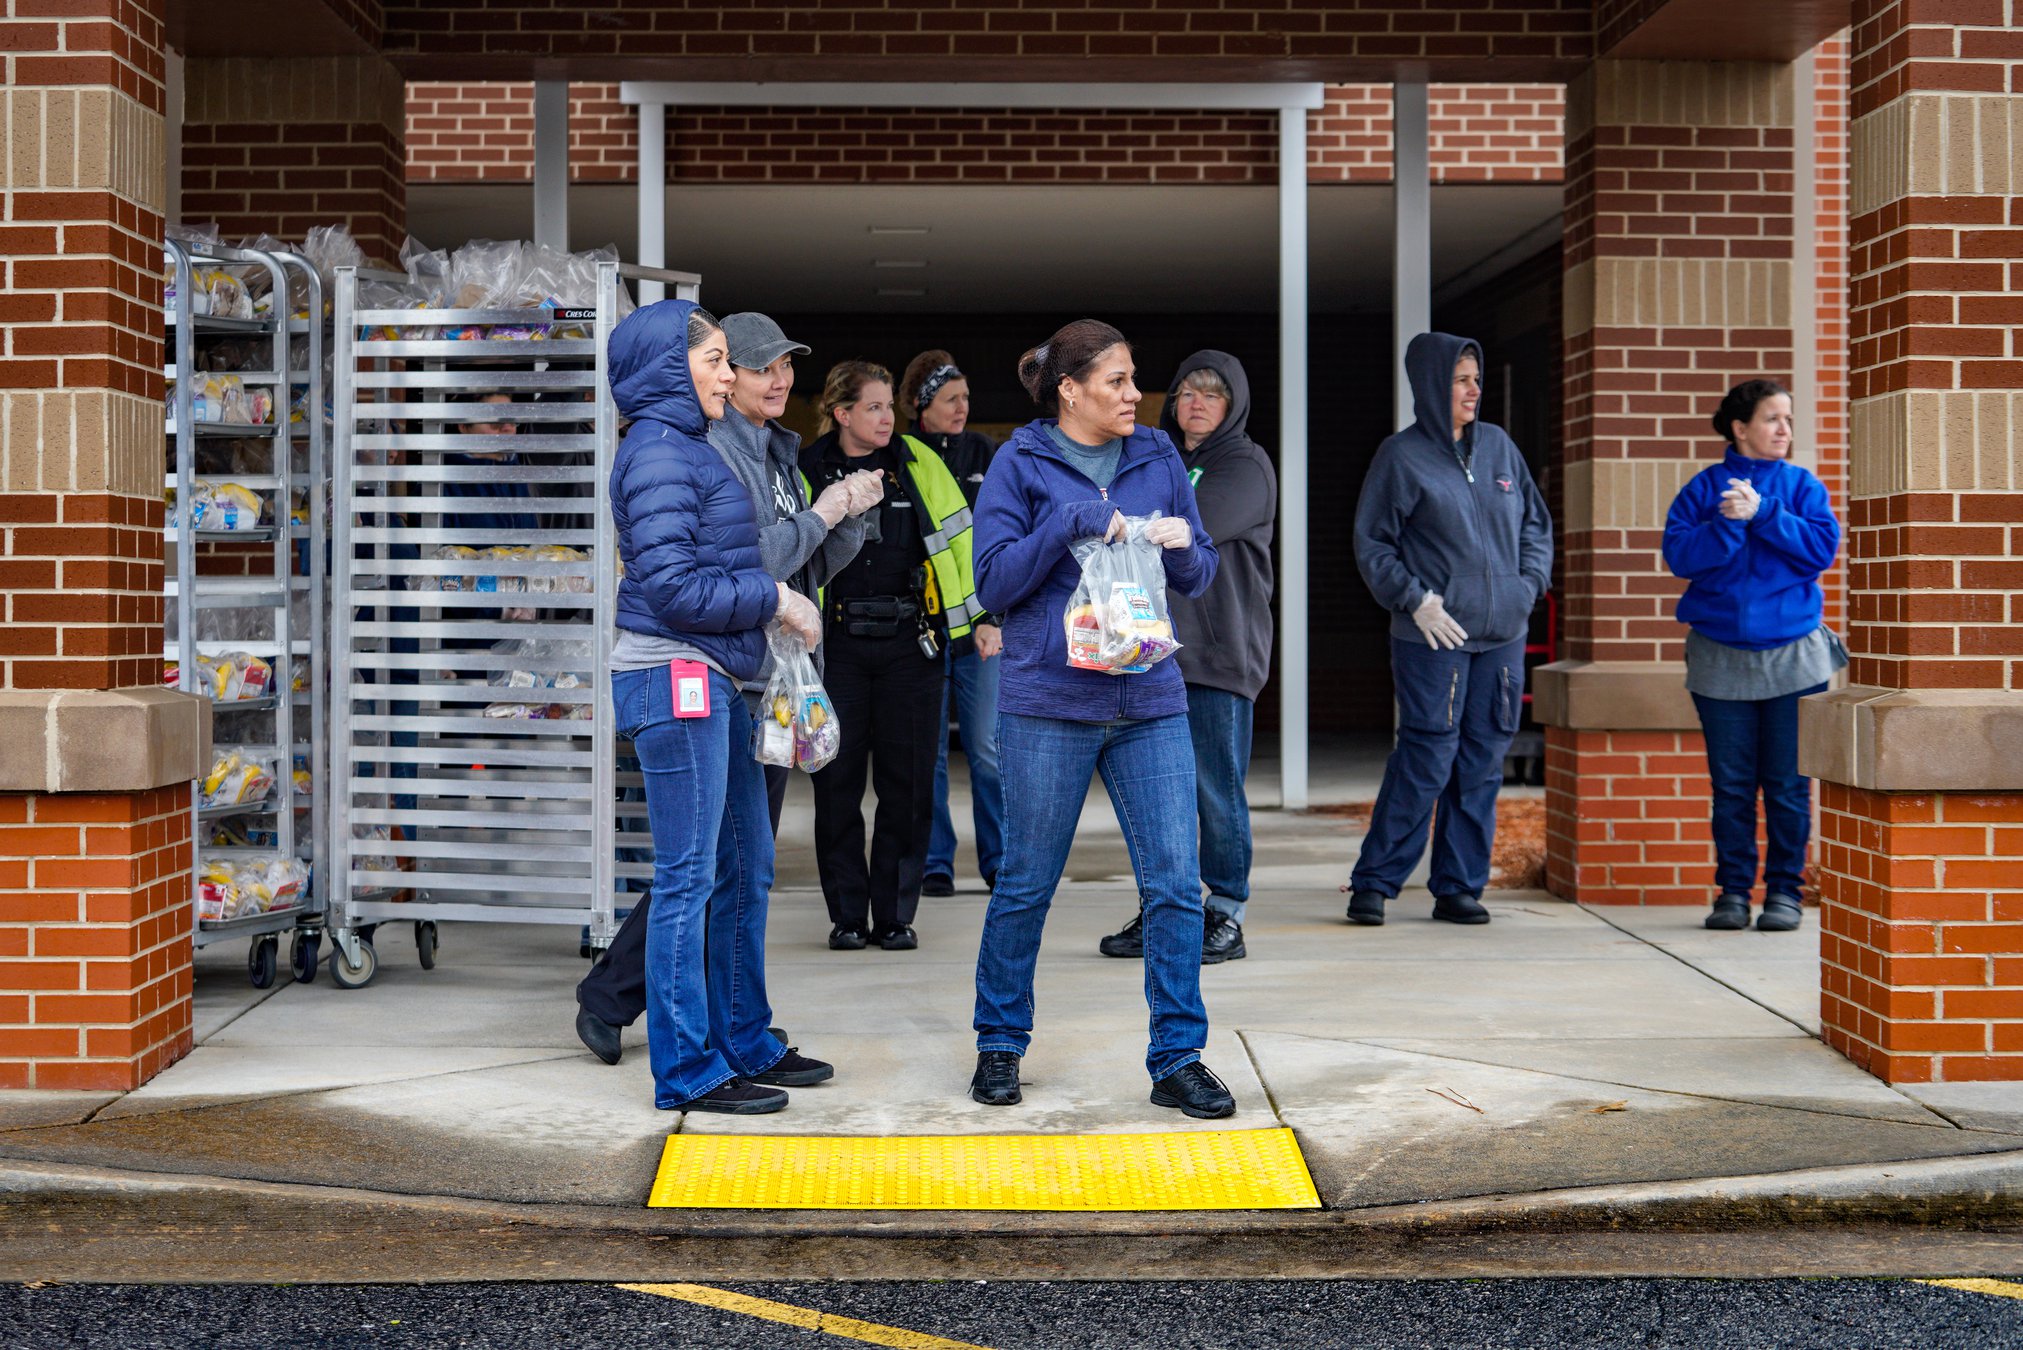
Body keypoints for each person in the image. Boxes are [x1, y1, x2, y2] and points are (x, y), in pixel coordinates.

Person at [574, 313, 881, 1063]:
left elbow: (766, 559)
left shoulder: (755, 452)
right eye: (731, 362)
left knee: (738, 869)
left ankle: (740, 1039)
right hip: (694, 674)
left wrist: (841, 519)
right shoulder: (680, 450)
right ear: (678, 369)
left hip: (739, 671)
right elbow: (695, 581)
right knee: (694, 874)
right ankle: (680, 1058)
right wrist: (788, 574)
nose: (772, 378)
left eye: (783, 365)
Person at [969, 318, 1234, 1120]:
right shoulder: (1020, 461)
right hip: (1050, 704)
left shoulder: (1157, 456)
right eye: (1116, 381)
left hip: (1148, 699)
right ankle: (999, 1042)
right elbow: (994, 585)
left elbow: (1199, 572)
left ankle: (1177, 1058)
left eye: (1132, 379)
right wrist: (1068, 522)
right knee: (1025, 883)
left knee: (1175, 886)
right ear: (1069, 390)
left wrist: (1183, 545)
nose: (1133, 395)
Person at [1345, 333, 1552, 928]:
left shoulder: (1500, 448)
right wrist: (1416, 600)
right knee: (1427, 754)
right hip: (1432, 635)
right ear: (1433, 386)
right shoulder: (1400, 456)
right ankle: (1376, 882)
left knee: (1483, 758)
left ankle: (1459, 887)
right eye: (1461, 379)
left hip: (1502, 634)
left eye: (1475, 379)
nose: (1473, 390)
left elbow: (1535, 525)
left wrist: (1527, 586)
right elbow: (1373, 543)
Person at [1096, 351, 1276, 965]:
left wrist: (1127, 520)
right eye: (1187, 393)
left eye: (1212, 394)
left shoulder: (1244, 465)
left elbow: (1192, 528)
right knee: (1155, 792)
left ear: (1233, 404)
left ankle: (1226, 911)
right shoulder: (1162, 459)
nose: (1196, 404)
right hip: (1155, 652)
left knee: (1214, 789)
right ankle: (1165, 909)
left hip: (1218, 655)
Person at [800, 360, 981, 953]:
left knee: (908, 786)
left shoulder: (916, 461)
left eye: (888, 407)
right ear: (841, 413)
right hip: (835, 650)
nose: (886, 418)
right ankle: (848, 917)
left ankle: (896, 916)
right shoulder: (807, 468)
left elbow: (961, 541)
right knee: (836, 785)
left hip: (911, 645)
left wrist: (977, 620)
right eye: (873, 407)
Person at [1662, 380, 1844, 933]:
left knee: (1787, 785)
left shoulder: (1802, 487)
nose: (1785, 429)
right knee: (1733, 787)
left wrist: (1764, 513)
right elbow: (1680, 557)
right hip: (1719, 660)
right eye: (1772, 419)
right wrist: (1727, 523)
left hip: (1793, 659)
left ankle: (1785, 893)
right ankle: (1734, 894)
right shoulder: (1703, 489)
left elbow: (1821, 550)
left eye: (1788, 418)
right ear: (1740, 428)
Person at [898, 350, 1005, 899]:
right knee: (929, 753)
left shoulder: (985, 453)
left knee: (986, 749)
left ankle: (1000, 860)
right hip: (925, 628)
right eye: (950, 399)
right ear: (922, 406)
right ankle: (934, 861)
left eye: (965, 398)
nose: (962, 407)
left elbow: (1004, 538)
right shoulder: (902, 454)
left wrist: (995, 615)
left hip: (982, 626)